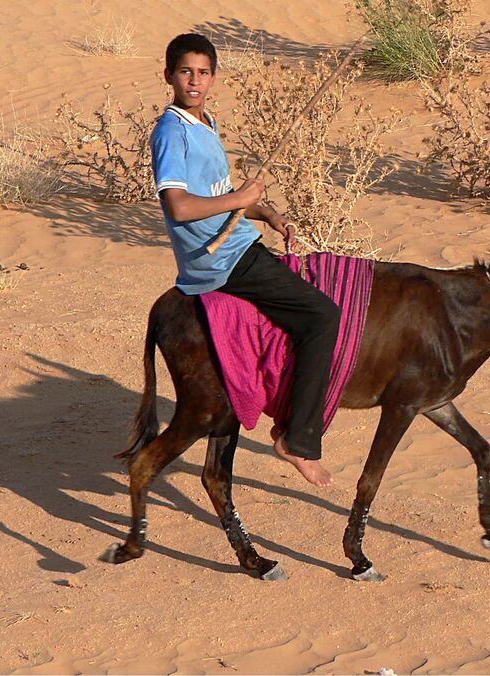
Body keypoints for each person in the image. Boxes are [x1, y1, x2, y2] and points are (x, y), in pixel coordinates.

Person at [150, 33, 338, 487]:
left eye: (203, 73)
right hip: (218, 261)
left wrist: (268, 213)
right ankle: (298, 440)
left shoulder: (205, 122)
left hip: (239, 242)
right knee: (323, 315)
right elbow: (180, 206)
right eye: (185, 72)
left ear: (214, 77)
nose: (194, 81)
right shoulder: (171, 132)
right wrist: (241, 197)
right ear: (169, 75)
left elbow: (220, 197)